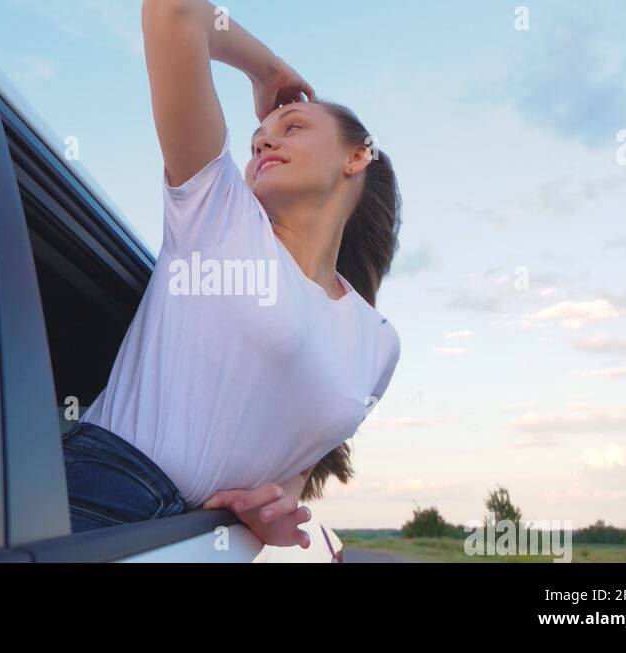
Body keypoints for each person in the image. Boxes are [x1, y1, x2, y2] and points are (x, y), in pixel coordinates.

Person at [62, 0, 402, 549]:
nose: (264, 140)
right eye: (257, 140)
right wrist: (269, 72)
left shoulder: (379, 344)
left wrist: (268, 512)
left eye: (292, 127)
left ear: (358, 157)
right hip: (101, 498)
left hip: (204, 539)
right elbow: (173, 11)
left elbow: (291, 476)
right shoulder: (218, 215)